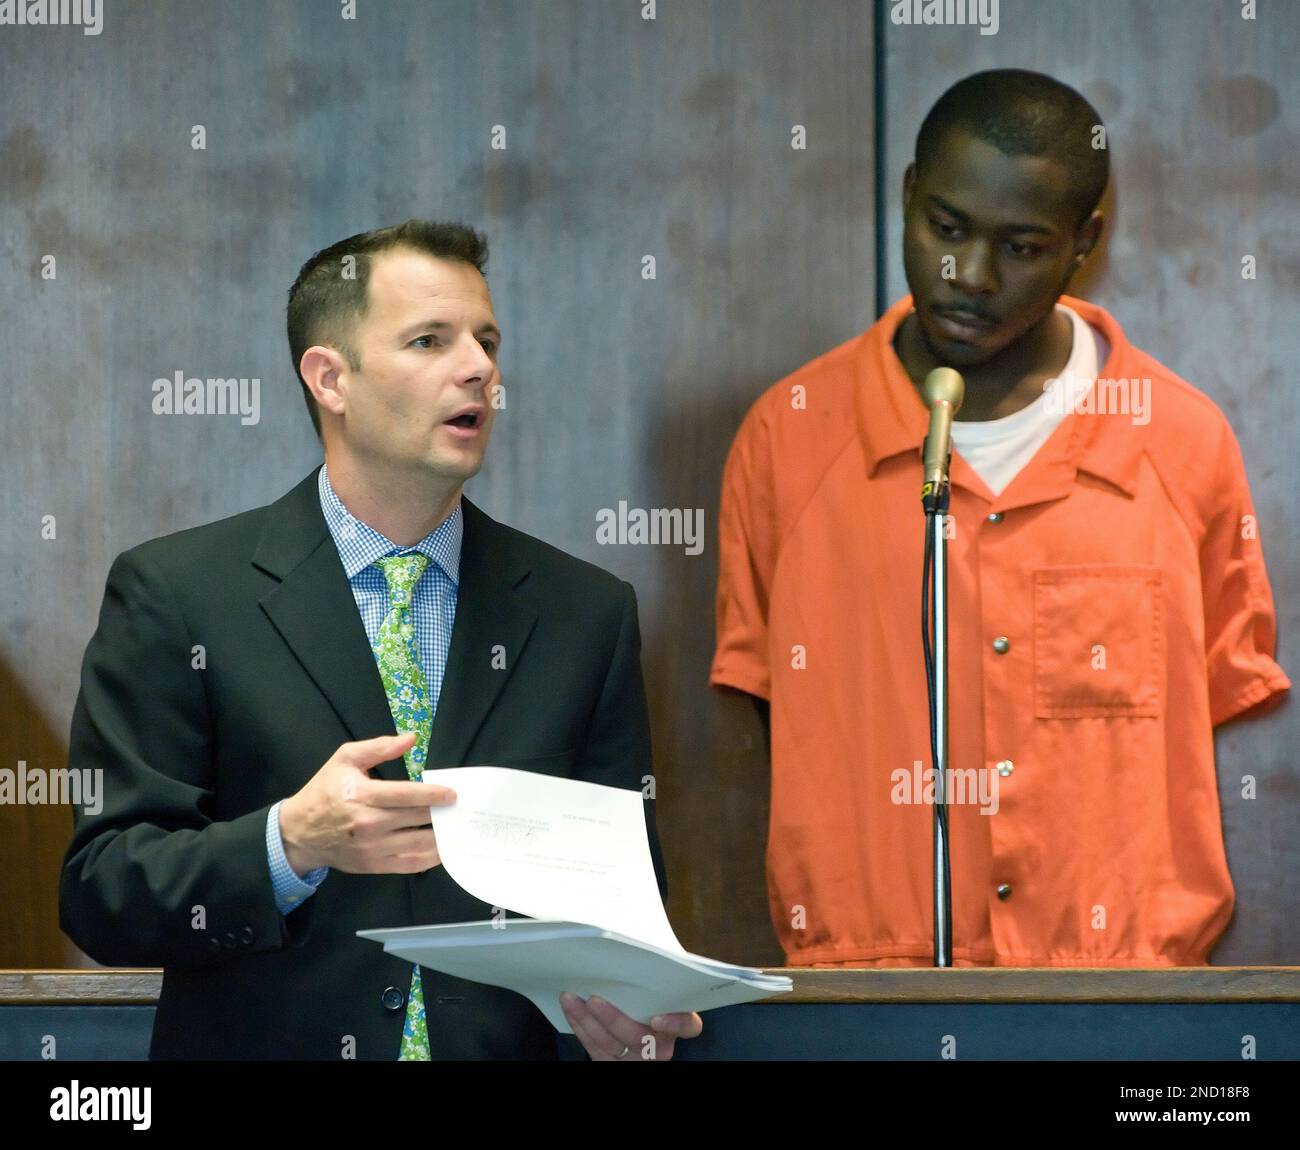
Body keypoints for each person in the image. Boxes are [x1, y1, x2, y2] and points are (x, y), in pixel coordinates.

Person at [61, 219, 703, 1059]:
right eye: (429, 340)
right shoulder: (180, 595)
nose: (477, 367)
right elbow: (104, 891)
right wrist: (290, 842)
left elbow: (625, 902)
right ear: (330, 378)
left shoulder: (585, 613)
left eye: (486, 340)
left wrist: (635, 1015)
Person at [711, 70, 1290, 968]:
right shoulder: (789, 439)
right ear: (906, 195)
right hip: (867, 997)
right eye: (945, 229)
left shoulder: (1179, 440)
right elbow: (757, 711)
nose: (968, 277)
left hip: (1119, 1004)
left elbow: (1220, 693)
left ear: (1083, 242)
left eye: (1020, 246)